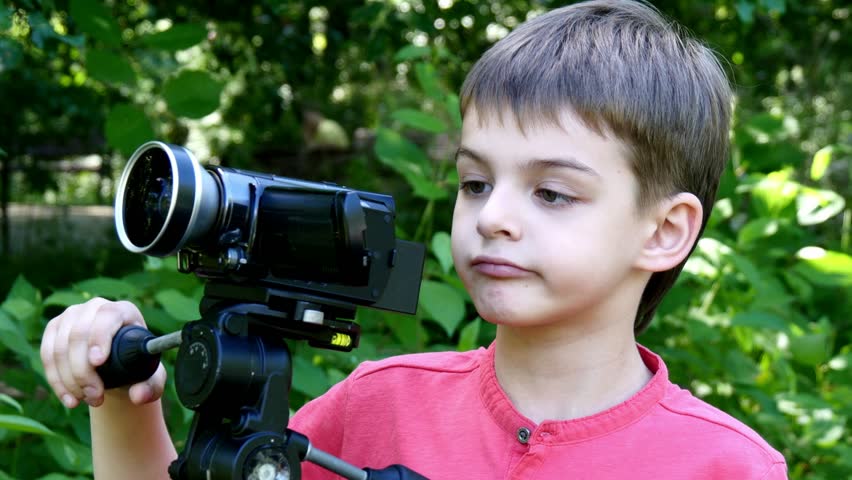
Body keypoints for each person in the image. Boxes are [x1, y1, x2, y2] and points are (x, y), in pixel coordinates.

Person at [40, 1, 787, 478]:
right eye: (474, 183)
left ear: (664, 232)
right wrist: (122, 393)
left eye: (552, 192)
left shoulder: (724, 466)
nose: (495, 216)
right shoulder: (378, 405)